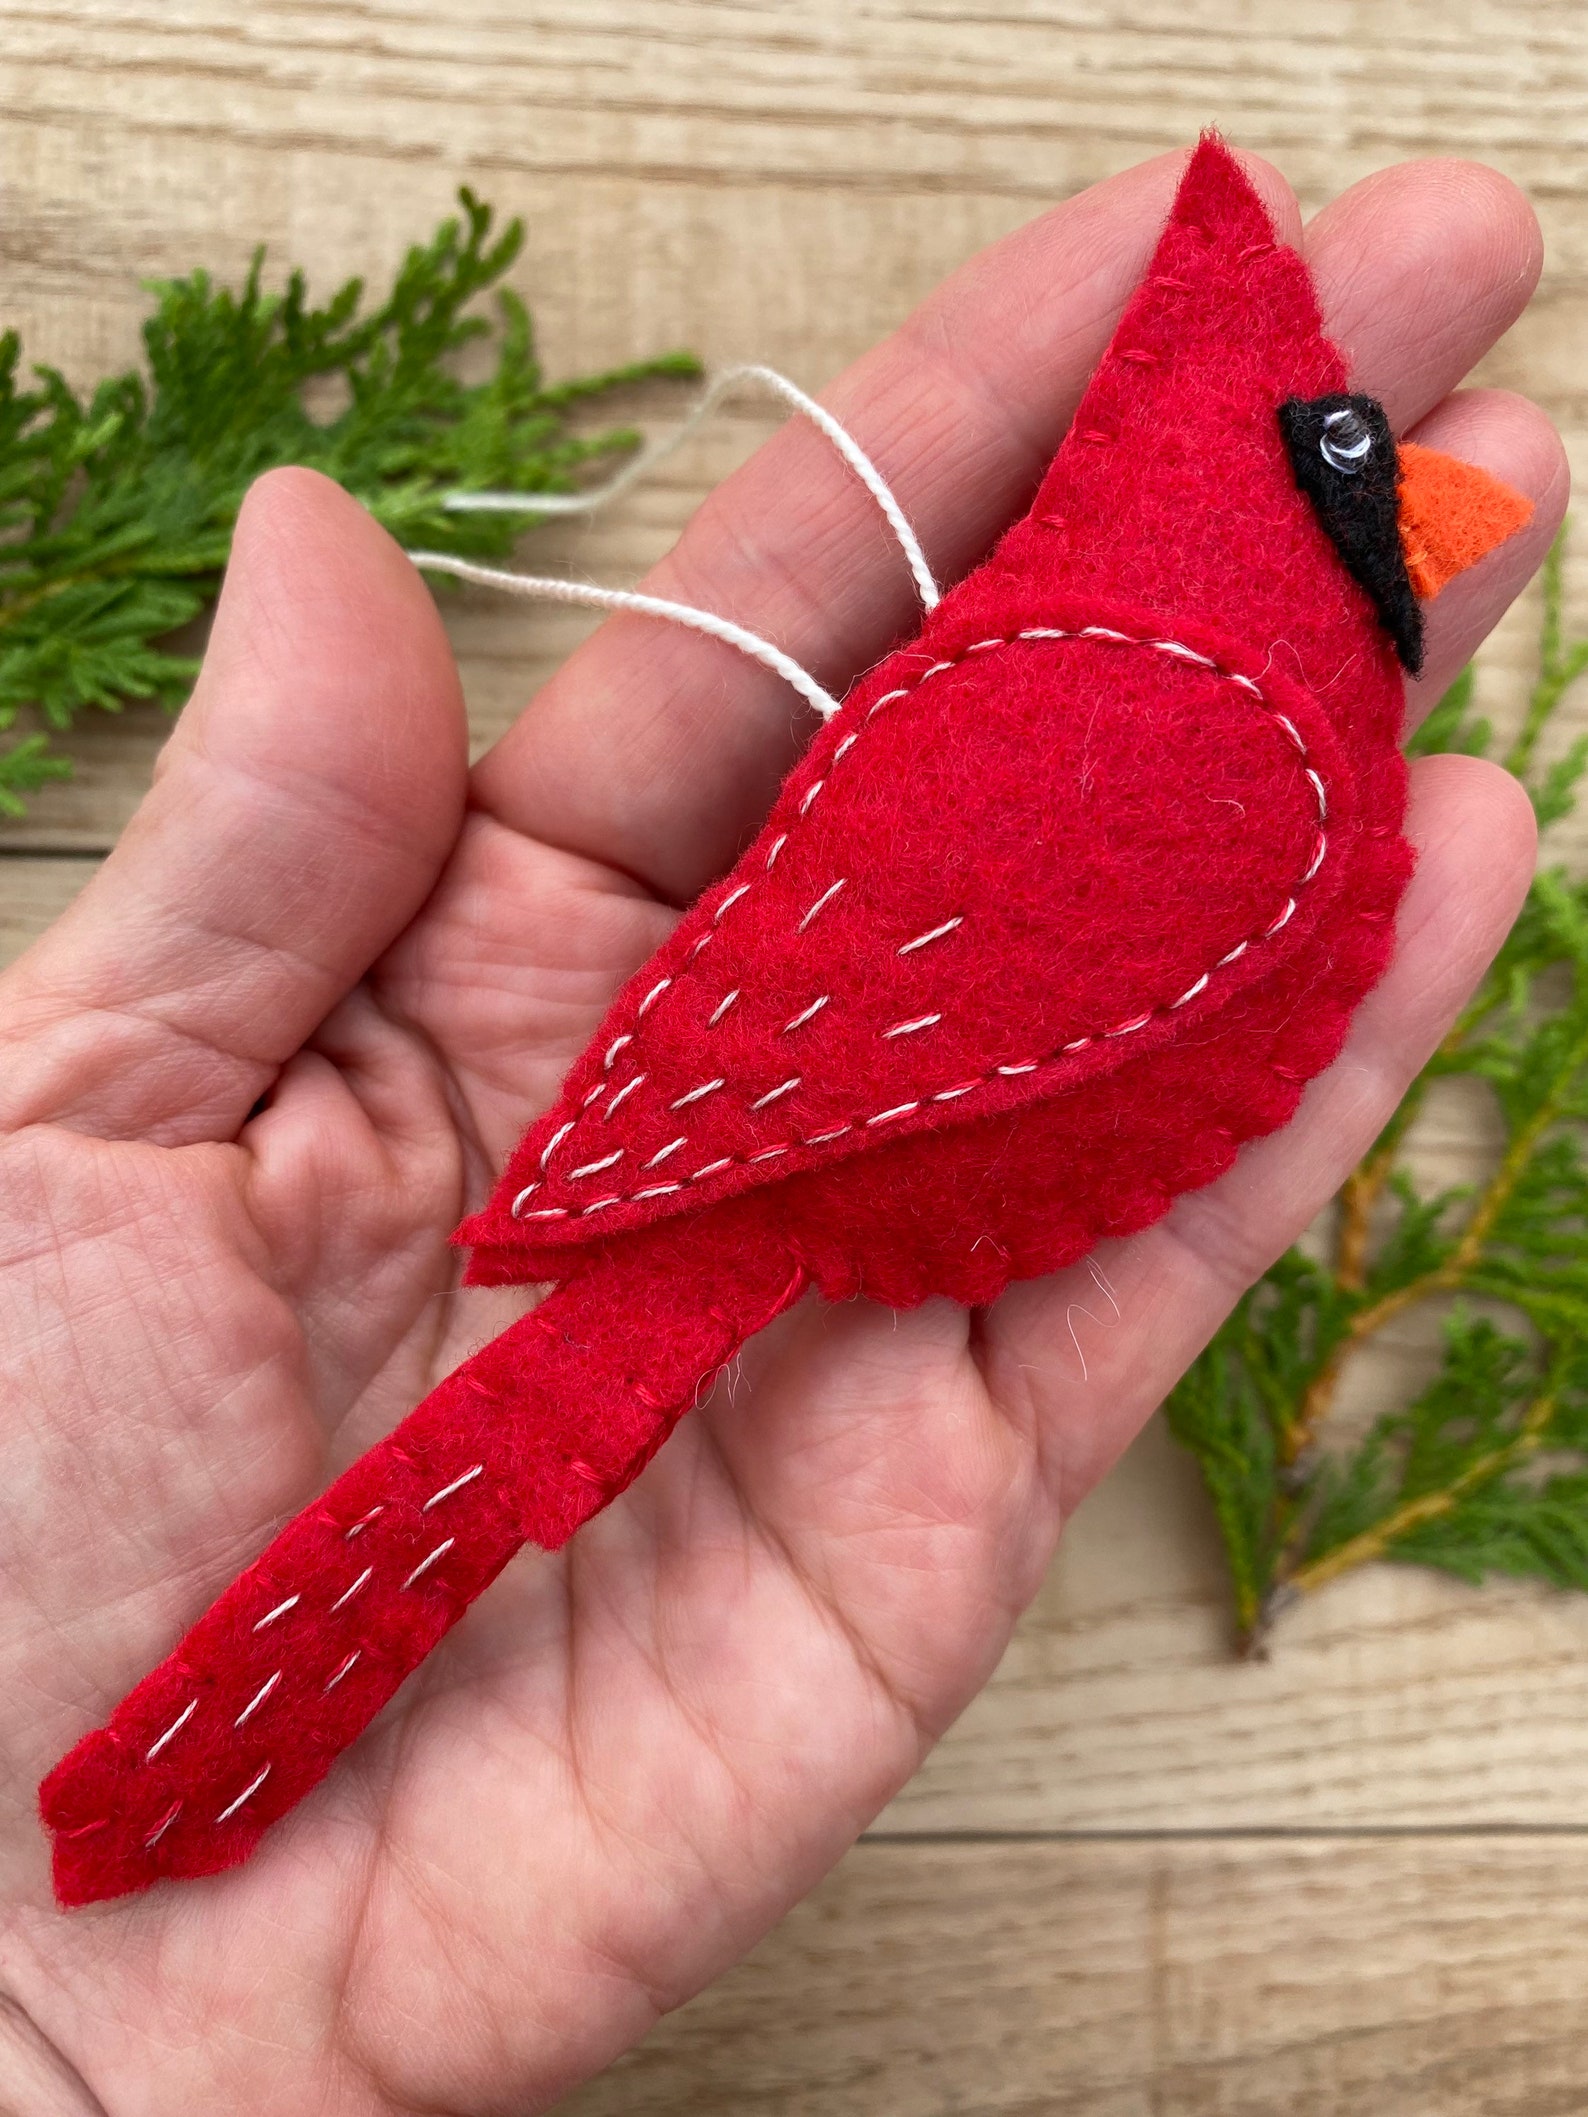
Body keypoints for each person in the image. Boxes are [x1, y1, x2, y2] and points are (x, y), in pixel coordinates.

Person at [0, 147, 1560, 2112]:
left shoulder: (1183, 697)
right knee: (496, 1456)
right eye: (1329, 477)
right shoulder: (1205, 727)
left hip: (780, 1155)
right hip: (776, 1150)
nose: (1400, 513)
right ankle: (167, 1791)